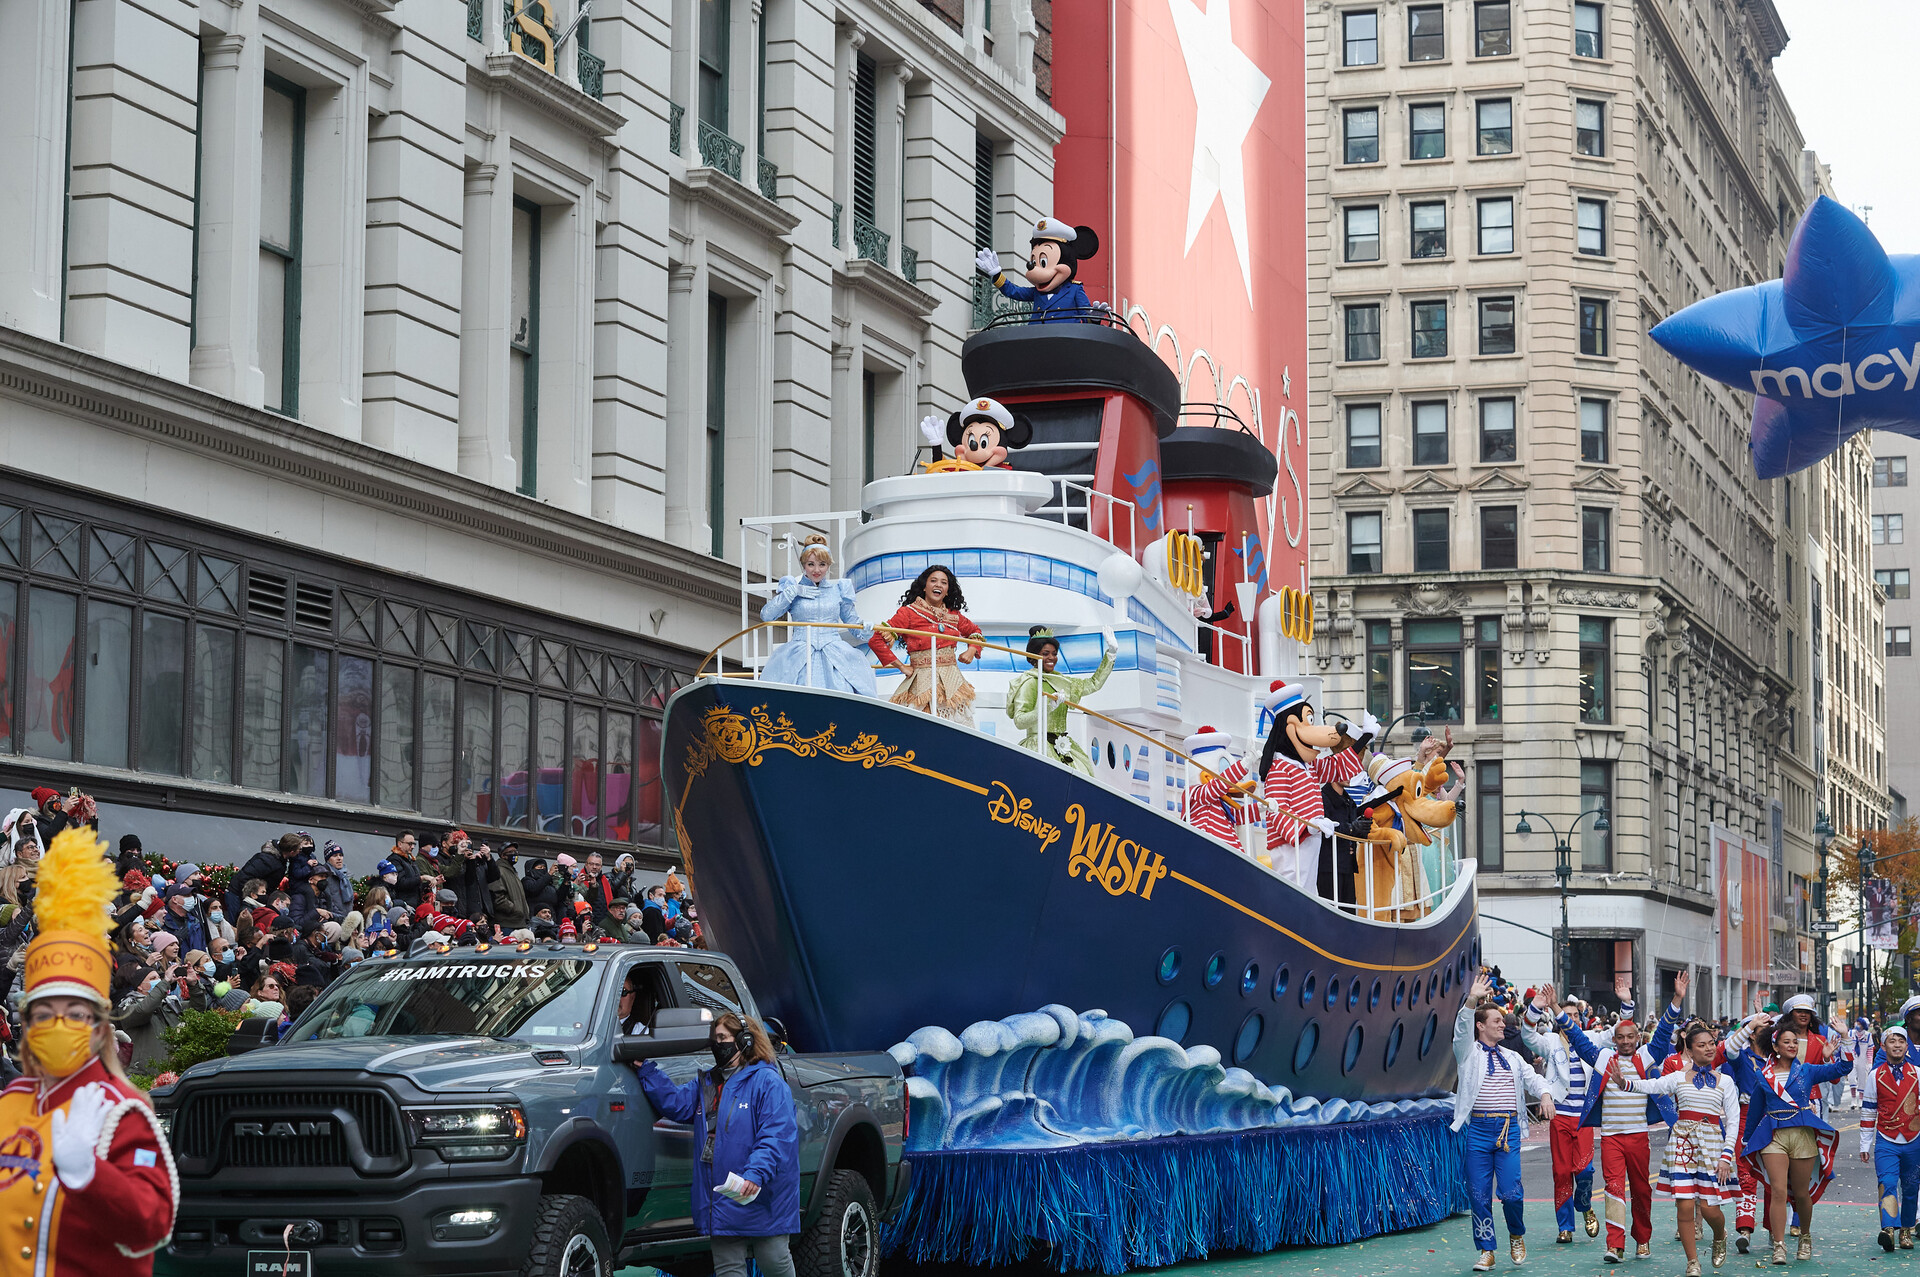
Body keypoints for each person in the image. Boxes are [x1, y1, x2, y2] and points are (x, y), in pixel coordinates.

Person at [0, 826, 178, 1272]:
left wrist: (92, 1176)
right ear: (27, 1026)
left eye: (74, 1013)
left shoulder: (122, 1110)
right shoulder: (10, 1105)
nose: (57, 1025)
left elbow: (153, 1226)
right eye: (44, 1014)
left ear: (100, 1029)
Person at [635, 1013, 800, 1277]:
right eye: (715, 1039)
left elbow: (776, 1136)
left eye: (722, 1038)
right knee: (727, 1269)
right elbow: (676, 1103)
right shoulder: (709, 1083)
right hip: (724, 1195)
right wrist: (647, 1071)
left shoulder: (768, 1083)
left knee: (774, 1261)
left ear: (745, 1040)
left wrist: (755, 1174)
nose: (717, 1044)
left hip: (760, 1194)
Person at [1555, 974, 1682, 1263]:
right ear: (1613, 1040)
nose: (1625, 1042)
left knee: (1641, 1189)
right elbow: (1575, 1035)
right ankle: (1615, 1245)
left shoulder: (1648, 1055)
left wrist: (1676, 999)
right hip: (1610, 1138)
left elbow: (1663, 1033)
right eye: (1620, 1038)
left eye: (1630, 1037)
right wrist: (1554, 1008)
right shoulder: (1601, 1057)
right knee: (1613, 1189)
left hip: (1639, 1137)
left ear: (1638, 1038)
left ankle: (1643, 1239)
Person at [1721, 1007, 1854, 1264]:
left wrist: (1845, 1038)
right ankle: (1779, 1245)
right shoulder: (1764, 1076)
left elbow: (1844, 1067)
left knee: (1801, 1194)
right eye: (1787, 1042)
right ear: (1776, 1046)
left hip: (1803, 1135)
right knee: (1778, 1191)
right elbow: (1757, 1112)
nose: (1793, 1045)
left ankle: (1805, 1237)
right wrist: (1747, 1143)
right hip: (1774, 1137)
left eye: (1795, 1041)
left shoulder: (1808, 1071)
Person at [1452, 971, 1559, 1272]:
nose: (1502, 1024)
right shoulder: (1466, 1053)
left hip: (1508, 1130)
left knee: (1511, 1193)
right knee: (1478, 1192)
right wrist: (1472, 999)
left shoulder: (1512, 1057)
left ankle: (1516, 1234)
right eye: (1496, 1021)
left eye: (1502, 1020)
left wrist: (1547, 1095)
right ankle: (1486, 1249)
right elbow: (1461, 1029)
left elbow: (1534, 1079)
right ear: (1480, 1026)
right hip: (1478, 1131)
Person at [1622, 1021, 1740, 1276]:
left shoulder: (1726, 1082)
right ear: (1690, 1049)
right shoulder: (1677, 1077)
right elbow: (1652, 1086)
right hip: (1683, 1146)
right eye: (1702, 1045)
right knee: (1685, 1206)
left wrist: (1726, 1155)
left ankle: (1720, 1234)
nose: (1709, 1049)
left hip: (1712, 1148)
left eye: (1711, 1044)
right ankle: (1692, 1262)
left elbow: (1733, 1122)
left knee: (1710, 1209)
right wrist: (1626, 1084)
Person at [1524, 984, 1603, 1244]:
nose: (1571, 1019)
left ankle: (1585, 1206)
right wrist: (1536, 1005)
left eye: (1576, 1015)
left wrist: (1626, 1003)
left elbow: (1619, 1033)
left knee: (1585, 1171)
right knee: (1561, 1172)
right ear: (1557, 1018)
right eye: (1566, 1014)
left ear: (1580, 1017)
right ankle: (1565, 1227)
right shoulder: (1550, 1041)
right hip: (1560, 1117)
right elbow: (1527, 1034)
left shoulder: (1590, 1038)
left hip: (1584, 1119)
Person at [758, 534, 875, 695]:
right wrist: (791, 592)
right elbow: (767, 615)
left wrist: (867, 628)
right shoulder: (793, 589)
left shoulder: (839, 590)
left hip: (834, 652)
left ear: (828, 565)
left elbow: (854, 625)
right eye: (811, 564)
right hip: (800, 652)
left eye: (822, 564)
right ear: (804, 565)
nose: (817, 570)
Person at [869, 565, 983, 726]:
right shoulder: (908, 613)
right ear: (924, 586)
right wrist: (901, 667)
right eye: (933, 581)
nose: (938, 585)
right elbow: (876, 639)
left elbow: (975, 632)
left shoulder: (954, 615)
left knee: (957, 728)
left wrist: (972, 650)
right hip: (921, 683)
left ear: (948, 590)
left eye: (944, 583)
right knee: (921, 727)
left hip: (952, 681)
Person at [1006, 626, 1118, 776]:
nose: (1051, 658)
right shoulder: (1029, 682)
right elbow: (1020, 721)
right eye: (1045, 654)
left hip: (1063, 747)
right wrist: (1047, 708)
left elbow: (1093, 684)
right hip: (1038, 746)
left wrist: (1111, 653)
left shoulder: (1062, 681)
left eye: (1054, 654)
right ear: (1033, 657)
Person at [1863, 1023, 1920, 1252]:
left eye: (1900, 1041)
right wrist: (1865, 1144)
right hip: (1886, 1139)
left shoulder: (1918, 1073)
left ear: (1907, 1046)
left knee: (1911, 1187)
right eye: (1891, 1041)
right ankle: (1888, 1229)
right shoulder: (1875, 1075)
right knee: (1886, 1183)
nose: (1896, 1045)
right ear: (1883, 1046)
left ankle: (1906, 1229)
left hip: (1914, 1139)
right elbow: (1868, 1111)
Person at [1181, 726, 1265, 862]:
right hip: (1207, 846)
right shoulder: (1194, 793)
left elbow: (1237, 816)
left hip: (1229, 853)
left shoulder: (1221, 804)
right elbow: (1215, 787)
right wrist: (1245, 763)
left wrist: (1260, 807)